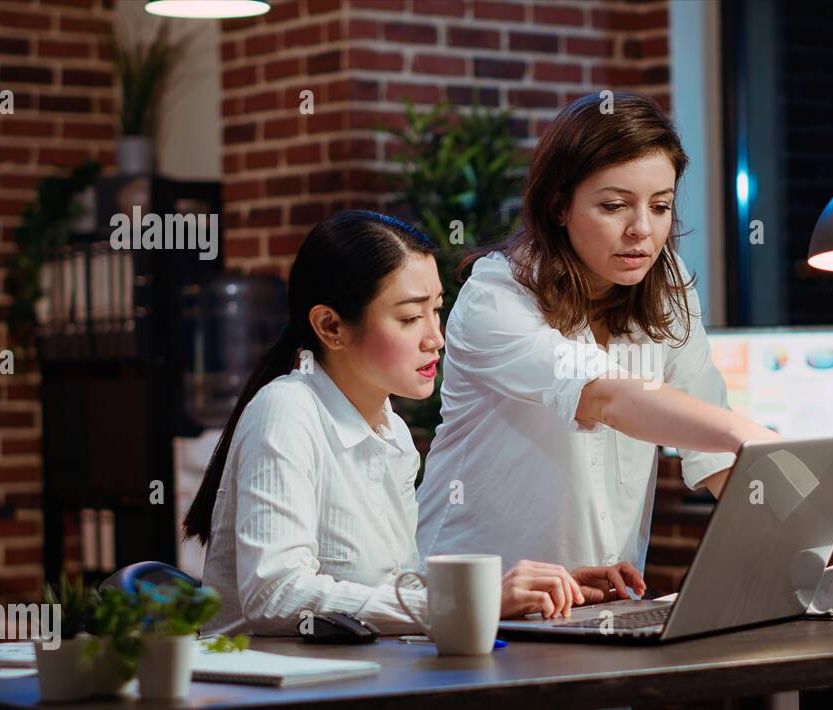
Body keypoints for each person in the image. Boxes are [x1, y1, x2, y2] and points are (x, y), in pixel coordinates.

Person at [417, 93, 779, 710]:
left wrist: (794, 540)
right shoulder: (497, 293)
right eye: (614, 206)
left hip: (598, 613)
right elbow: (606, 396)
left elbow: (716, 453)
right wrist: (747, 433)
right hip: (481, 616)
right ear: (560, 205)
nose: (642, 229)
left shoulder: (669, 292)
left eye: (660, 206)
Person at [183, 211, 585, 637]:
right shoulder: (286, 410)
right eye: (410, 318)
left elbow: (394, 592)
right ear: (331, 326)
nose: (435, 338)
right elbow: (275, 595)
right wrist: (468, 602)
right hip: (266, 676)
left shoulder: (393, 433)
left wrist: (542, 592)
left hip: (363, 671)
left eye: (436, 310)